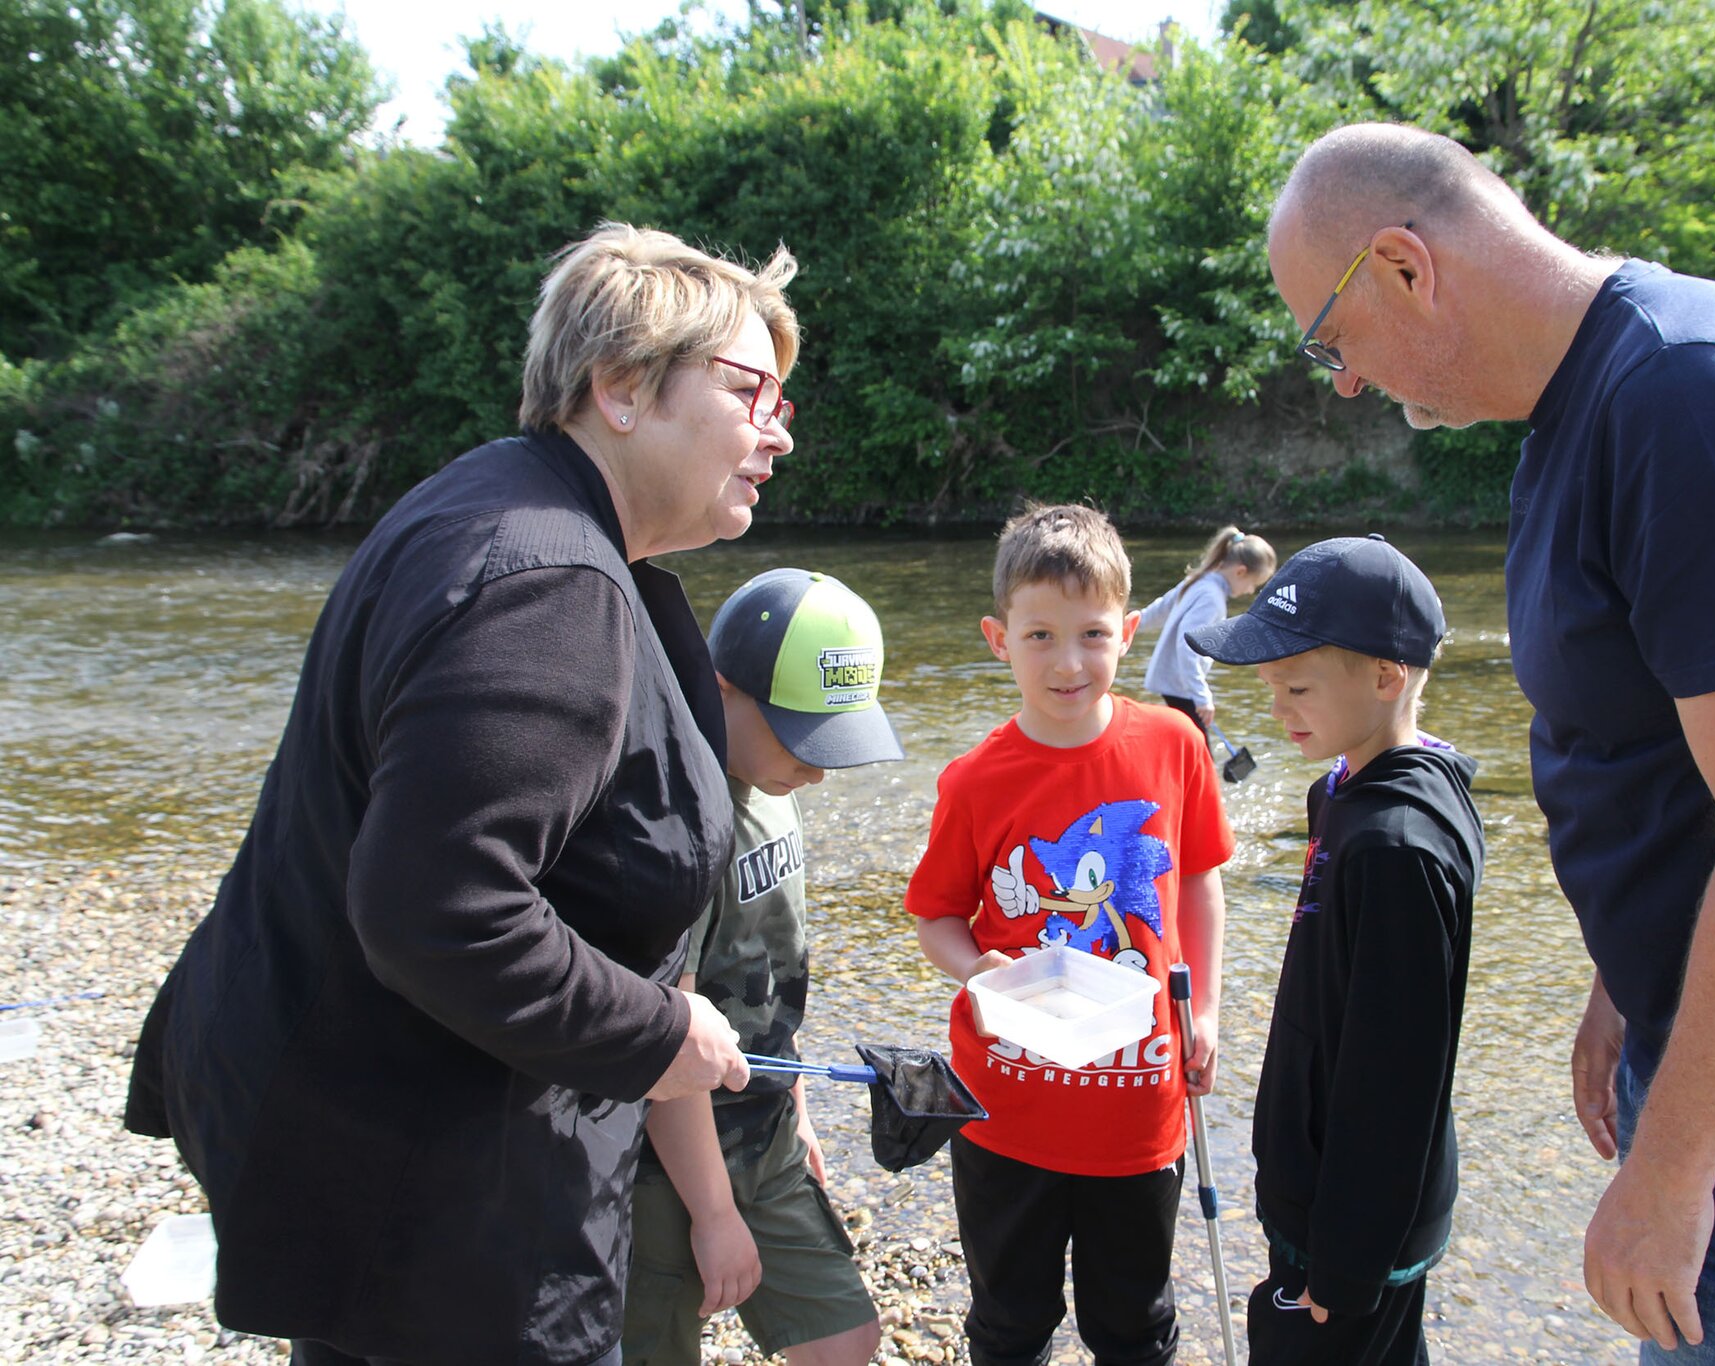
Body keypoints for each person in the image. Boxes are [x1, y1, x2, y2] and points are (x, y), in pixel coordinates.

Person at [1265, 123, 1715, 1363]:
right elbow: (1678, 758)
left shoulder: (1691, 404)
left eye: (1328, 338)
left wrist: (1668, 1175)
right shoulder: (1591, 407)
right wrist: (1627, 979)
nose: (1341, 381)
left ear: (1404, 265)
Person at [123, 222, 802, 1366]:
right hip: (432, 1189)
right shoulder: (544, 582)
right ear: (622, 388)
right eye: (751, 391)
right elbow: (440, 908)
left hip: (361, 1136)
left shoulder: (490, 505)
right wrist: (653, 1029)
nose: (777, 432)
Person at [904, 503, 1234, 1366]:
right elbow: (935, 915)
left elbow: (1198, 879)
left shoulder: (1173, 745)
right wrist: (980, 971)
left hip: (1138, 1106)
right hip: (1004, 1108)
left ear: (1128, 632)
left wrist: (1207, 1012)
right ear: (997, 638)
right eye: (1040, 635)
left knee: (1134, 1325)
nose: (1068, 661)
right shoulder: (975, 780)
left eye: (1091, 634)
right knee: (1010, 1324)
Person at [1187, 534, 1483, 1365]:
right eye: (1270, 685)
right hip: (1331, 1197)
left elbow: (1397, 1077)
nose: (1277, 708)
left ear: (1387, 677)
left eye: (1298, 686)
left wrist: (1347, 1263)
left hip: (1356, 1227)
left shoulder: (1398, 847)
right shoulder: (1345, 790)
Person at [624, 567, 901, 1366]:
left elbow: (776, 979)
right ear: (721, 691)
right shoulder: (680, 820)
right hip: (664, 1160)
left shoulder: (776, 788)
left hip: (766, 1129)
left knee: (847, 1338)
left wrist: (801, 1111)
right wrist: (713, 1216)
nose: (817, 769)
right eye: (801, 738)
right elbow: (664, 1036)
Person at [1133, 525, 1277, 733]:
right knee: (1200, 752)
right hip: (1182, 686)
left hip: (1176, 683)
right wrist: (1202, 696)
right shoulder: (1212, 598)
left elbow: (1158, 610)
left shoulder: (1199, 579)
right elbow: (1187, 646)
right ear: (1240, 571)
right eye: (1253, 584)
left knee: (1189, 745)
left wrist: (1128, 624)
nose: (1250, 591)